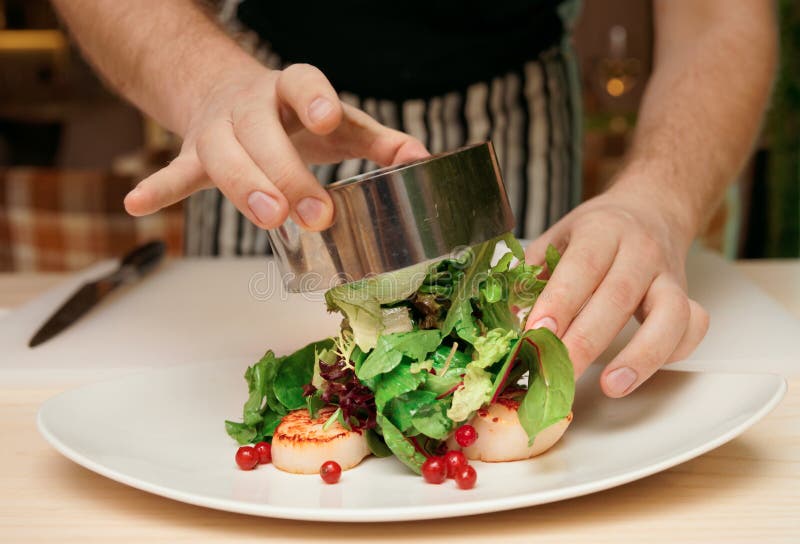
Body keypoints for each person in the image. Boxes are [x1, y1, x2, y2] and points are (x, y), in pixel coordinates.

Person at [51, 1, 776, 398]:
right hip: (263, 115)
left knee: (509, 374)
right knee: (289, 384)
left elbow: (720, 16)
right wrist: (206, 82)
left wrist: (659, 199)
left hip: (512, 109)